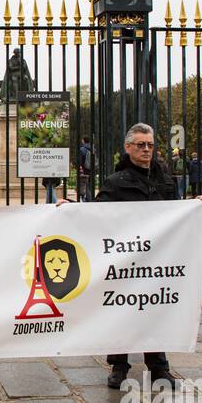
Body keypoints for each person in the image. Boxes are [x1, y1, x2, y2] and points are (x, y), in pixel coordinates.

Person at [95, 123, 178, 389]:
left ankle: (159, 367)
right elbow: (97, 215)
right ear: (128, 147)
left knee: (156, 310)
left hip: (158, 259)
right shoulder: (115, 182)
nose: (146, 149)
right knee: (123, 311)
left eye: (150, 145)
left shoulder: (166, 180)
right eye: (140, 144)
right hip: (127, 259)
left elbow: (178, 213)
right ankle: (119, 366)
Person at [76, 136, 94, 201]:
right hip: (92, 169)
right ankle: (90, 197)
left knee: (83, 184)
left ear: (83, 141)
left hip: (85, 169)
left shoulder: (82, 149)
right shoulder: (93, 148)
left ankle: (86, 198)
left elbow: (80, 160)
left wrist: (80, 167)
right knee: (90, 184)